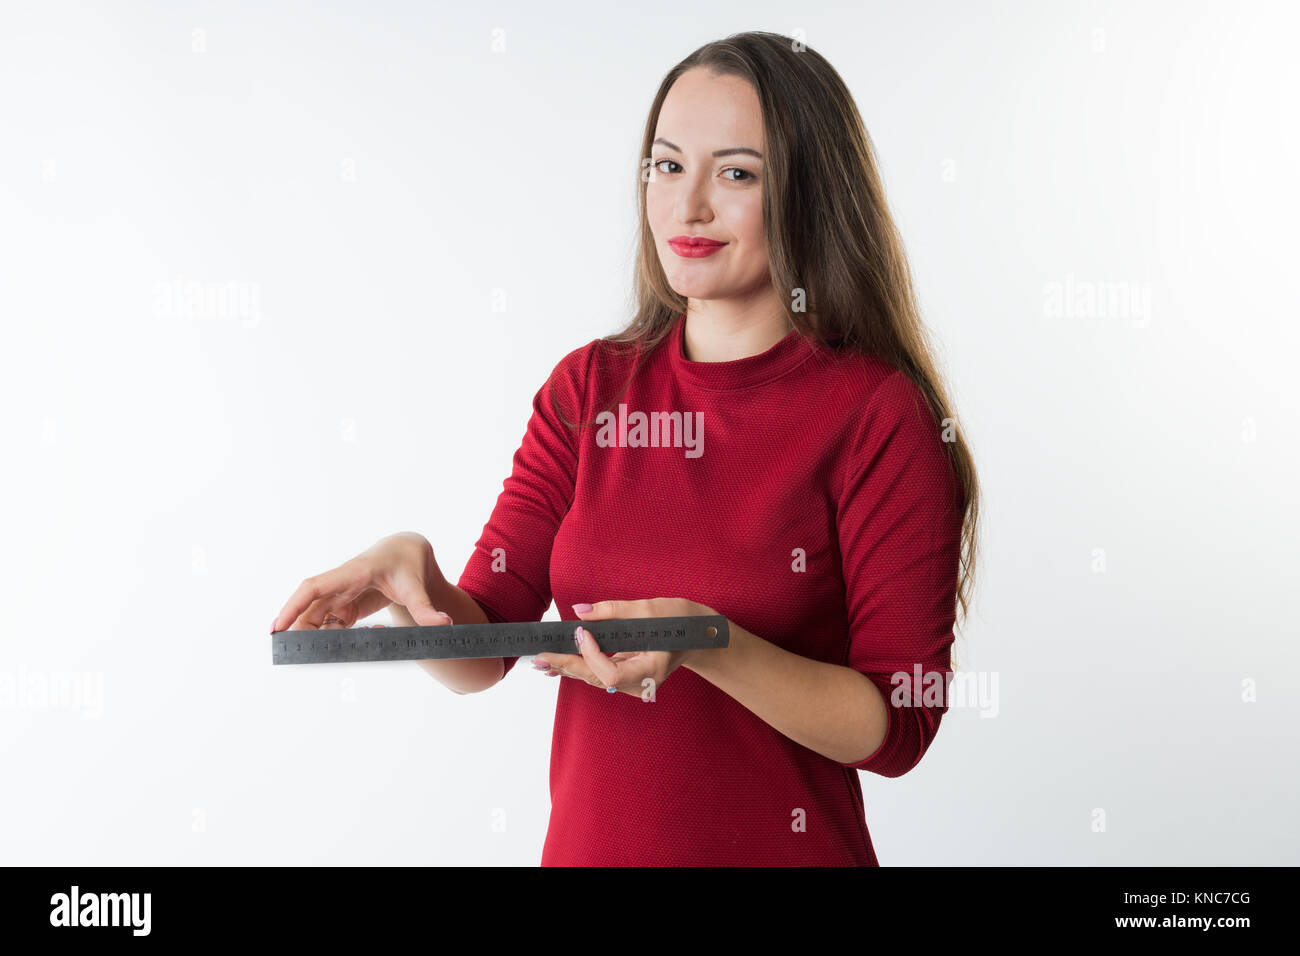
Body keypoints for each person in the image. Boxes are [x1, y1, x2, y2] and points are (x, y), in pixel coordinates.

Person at [271, 30, 980, 866]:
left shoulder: (876, 415)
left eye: (738, 174)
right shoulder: (587, 391)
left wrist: (714, 641)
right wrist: (415, 580)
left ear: (809, 195)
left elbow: (898, 724)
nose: (690, 207)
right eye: (669, 165)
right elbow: (485, 648)